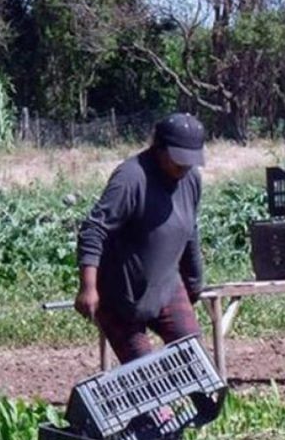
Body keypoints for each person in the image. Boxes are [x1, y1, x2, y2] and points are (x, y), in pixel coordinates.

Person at [74, 112, 205, 364]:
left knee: (196, 363)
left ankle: (207, 404)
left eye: (190, 161)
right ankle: (158, 405)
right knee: (146, 379)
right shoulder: (131, 178)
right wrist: (88, 288)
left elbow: (189, 230)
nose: (184, 167)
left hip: (166, 286)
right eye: (179, 160)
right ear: (159, 148)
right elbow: (93, 229)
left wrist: (194, 281)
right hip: (120, 296)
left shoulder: (190, 180)